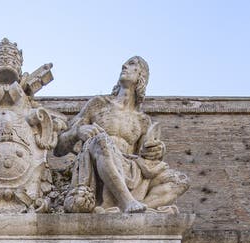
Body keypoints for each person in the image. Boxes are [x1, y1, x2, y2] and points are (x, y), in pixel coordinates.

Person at [55, 56, 189, 213]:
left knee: (180, 180)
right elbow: (59, 148)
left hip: (129, 168)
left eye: (132, 64)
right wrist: (77, 132)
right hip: (98, 165)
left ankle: (142, 208)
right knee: (102, 140)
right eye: (125, 64)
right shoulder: (98, 104)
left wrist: (157, 151)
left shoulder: (143, 120)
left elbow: (145, 157)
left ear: (141, 76)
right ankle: (127, 202)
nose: (124, 66)